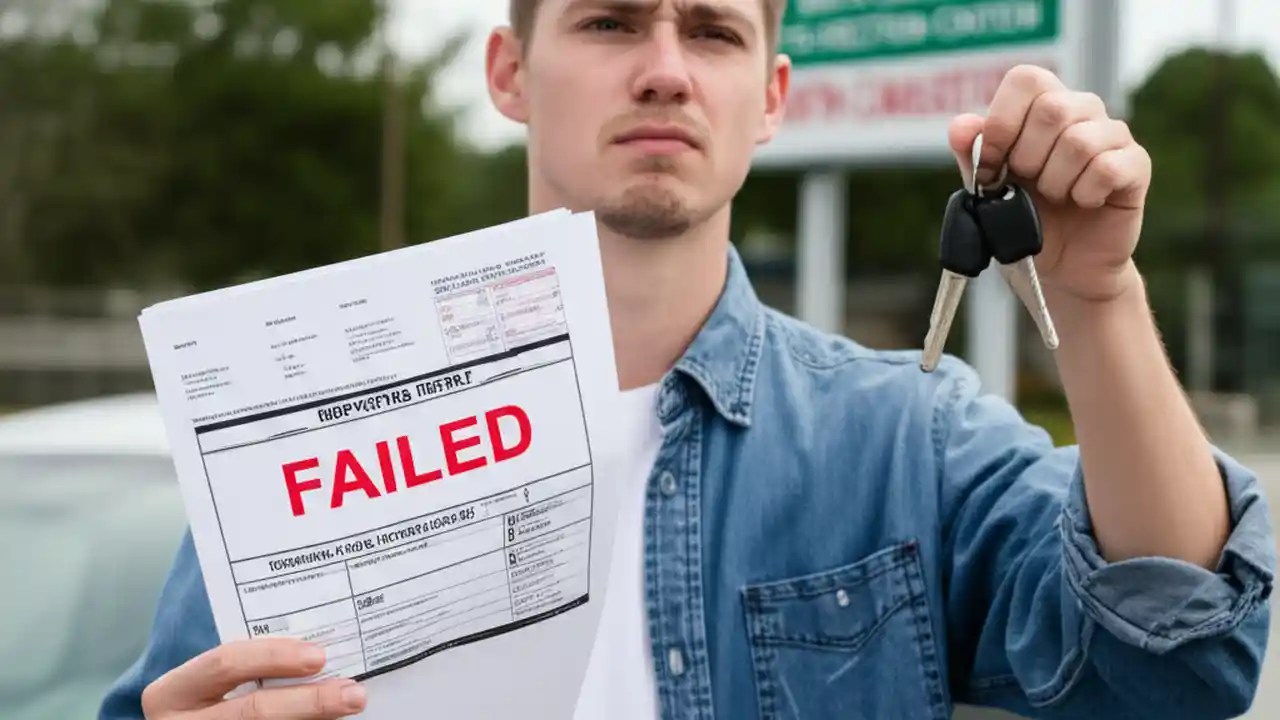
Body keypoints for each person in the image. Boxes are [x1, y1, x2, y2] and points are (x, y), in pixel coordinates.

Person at [101, 1, 1276, 718]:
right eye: (610, 19)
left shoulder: (901, 440)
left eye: (710, 29)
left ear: (767, 96)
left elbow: (1179, 662)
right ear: (509, 71)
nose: (663, 65)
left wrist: (1097, 292)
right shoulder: (298, 437)